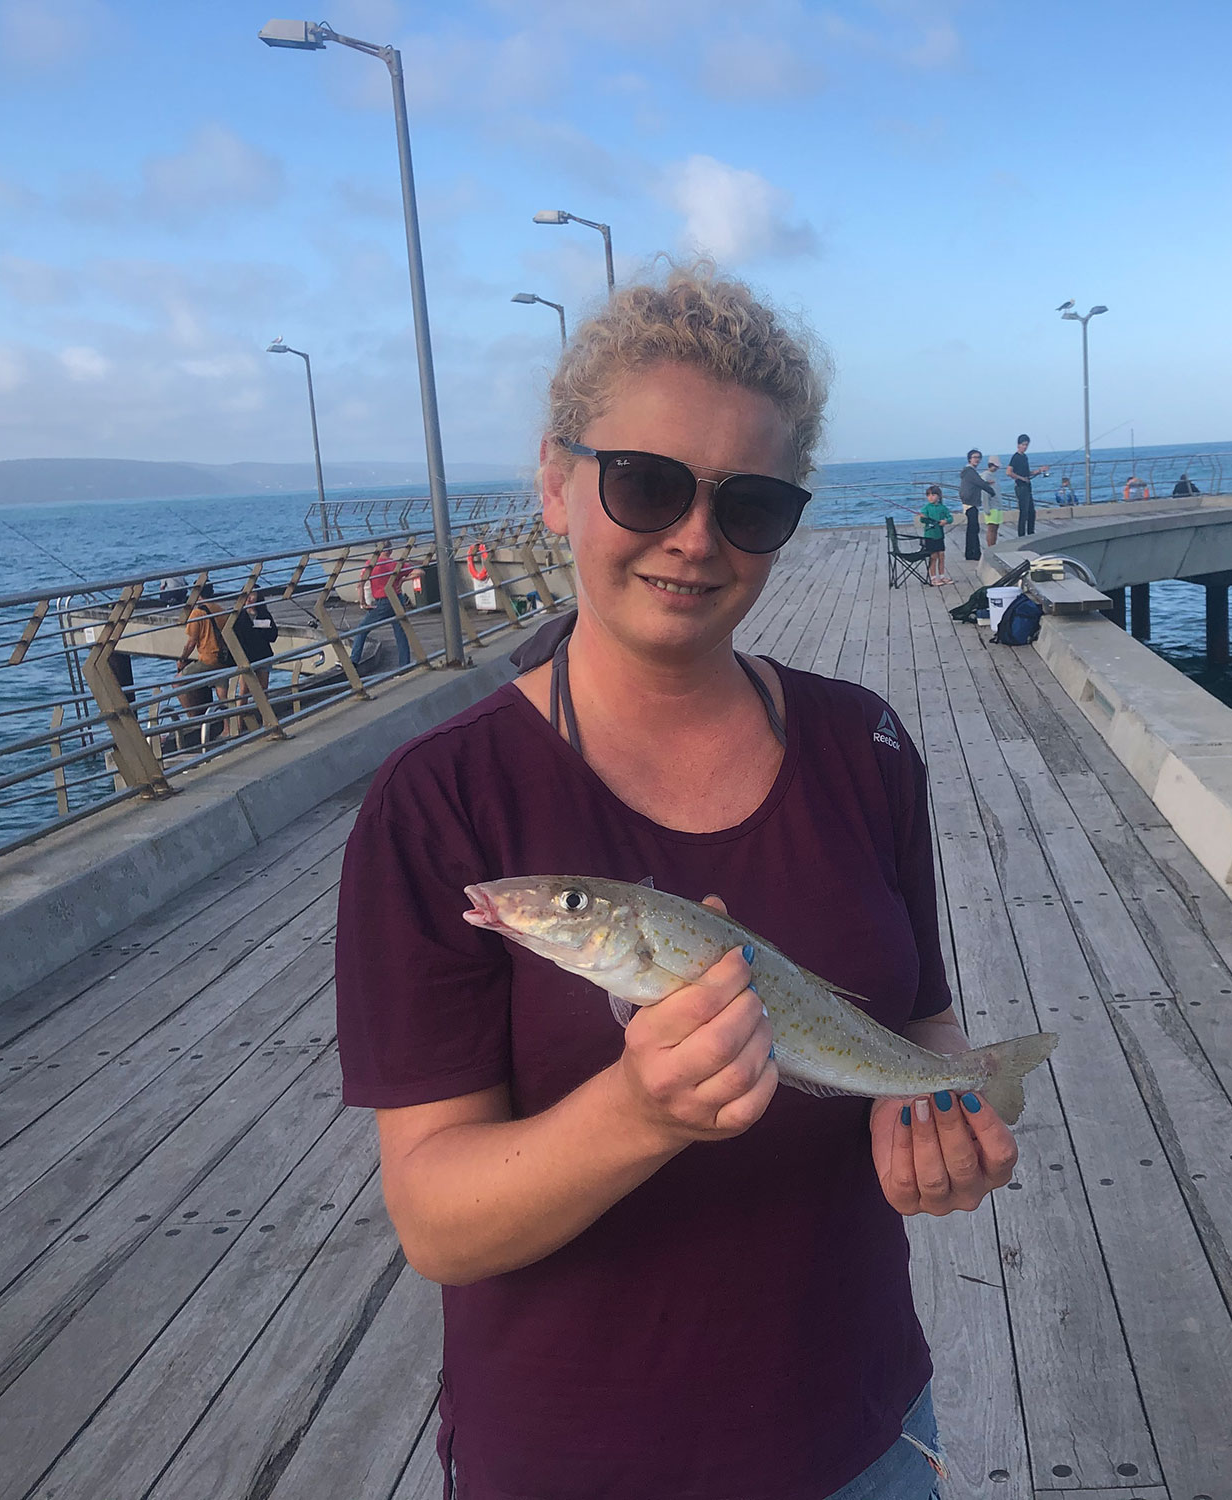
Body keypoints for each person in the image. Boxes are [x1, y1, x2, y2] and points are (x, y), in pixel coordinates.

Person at [333, 262, 1017, 1500]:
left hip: (861, 1431)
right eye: (643, 483)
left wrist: (934, 1119)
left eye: (748, 504)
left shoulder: (864, 746)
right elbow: (436, 1220)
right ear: (555, 481)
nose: (694, 539)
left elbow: (915, 1020)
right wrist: (639, 1113)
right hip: (577, 1458)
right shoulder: (439, 803)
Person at [170, 582, 228, 752]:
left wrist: (182, 660)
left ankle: (195, 720)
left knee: (177, 683)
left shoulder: (196, 613)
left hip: (208, 659)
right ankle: (228, 727)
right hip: (224, 658)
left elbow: (191, 643)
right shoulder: (219, 609)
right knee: (223, 695)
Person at [350, 545, 411, 672]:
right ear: (390, 551)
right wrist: (403, 580)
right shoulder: (395, 564)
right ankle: (405, 665)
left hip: (383, 601)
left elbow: (360, 585)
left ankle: (354, 661)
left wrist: (363, 602)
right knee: (400, 633)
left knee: (362, 629)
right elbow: (420, 572)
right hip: (397, 599)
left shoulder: (371, 564)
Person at [230, 595, 280, 733]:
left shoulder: (263, 613)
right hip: (246, 658)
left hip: (262, 655)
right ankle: (238, 725)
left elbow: (273, 635)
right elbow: (233, 634)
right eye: (247, 595)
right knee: (243, 692)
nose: (250, 599)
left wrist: (261, 626)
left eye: (253, 595)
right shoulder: (239, 616)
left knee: (263, 691)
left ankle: (267, 721)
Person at [1008, 434, 1049, 538]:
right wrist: (1021, 478)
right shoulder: (1016, 457)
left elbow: (1027, 472)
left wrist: (1039, 470)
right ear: (1018, 445)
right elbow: (1009, 472)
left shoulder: (1024, 457)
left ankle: (1031, 533)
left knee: (1031, 512)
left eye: (1026, 445)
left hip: (1027, 487)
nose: (1025, 447)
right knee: (1024, 513)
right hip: (1021, 487)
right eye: (1023, 445)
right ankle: (1021, 535)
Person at [960, 448, 999, 549]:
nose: (977, 460)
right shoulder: (970, 471)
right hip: (970, 503)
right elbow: (979, 483)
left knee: (972, 528)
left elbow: (977, 482)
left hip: (970, 502)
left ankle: (970, 552)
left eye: (979, 457)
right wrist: (992, 492)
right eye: (975, 457)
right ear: (969, 459)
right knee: (973, 529)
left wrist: (985, 483)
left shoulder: (970, 472)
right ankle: (974, 552)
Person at [917, 483, 953, 585]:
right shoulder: (926, 508)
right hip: (929, 536)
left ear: (938, 496)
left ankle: (942, 576)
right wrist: (922, 517)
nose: (930, 497)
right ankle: (933, 578)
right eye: (928, 495)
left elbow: (950, 517)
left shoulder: (943, 507)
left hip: (940, 535)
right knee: (933, 557)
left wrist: (946, 521)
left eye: (933, 495)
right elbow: (923, 520)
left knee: (941, 555)